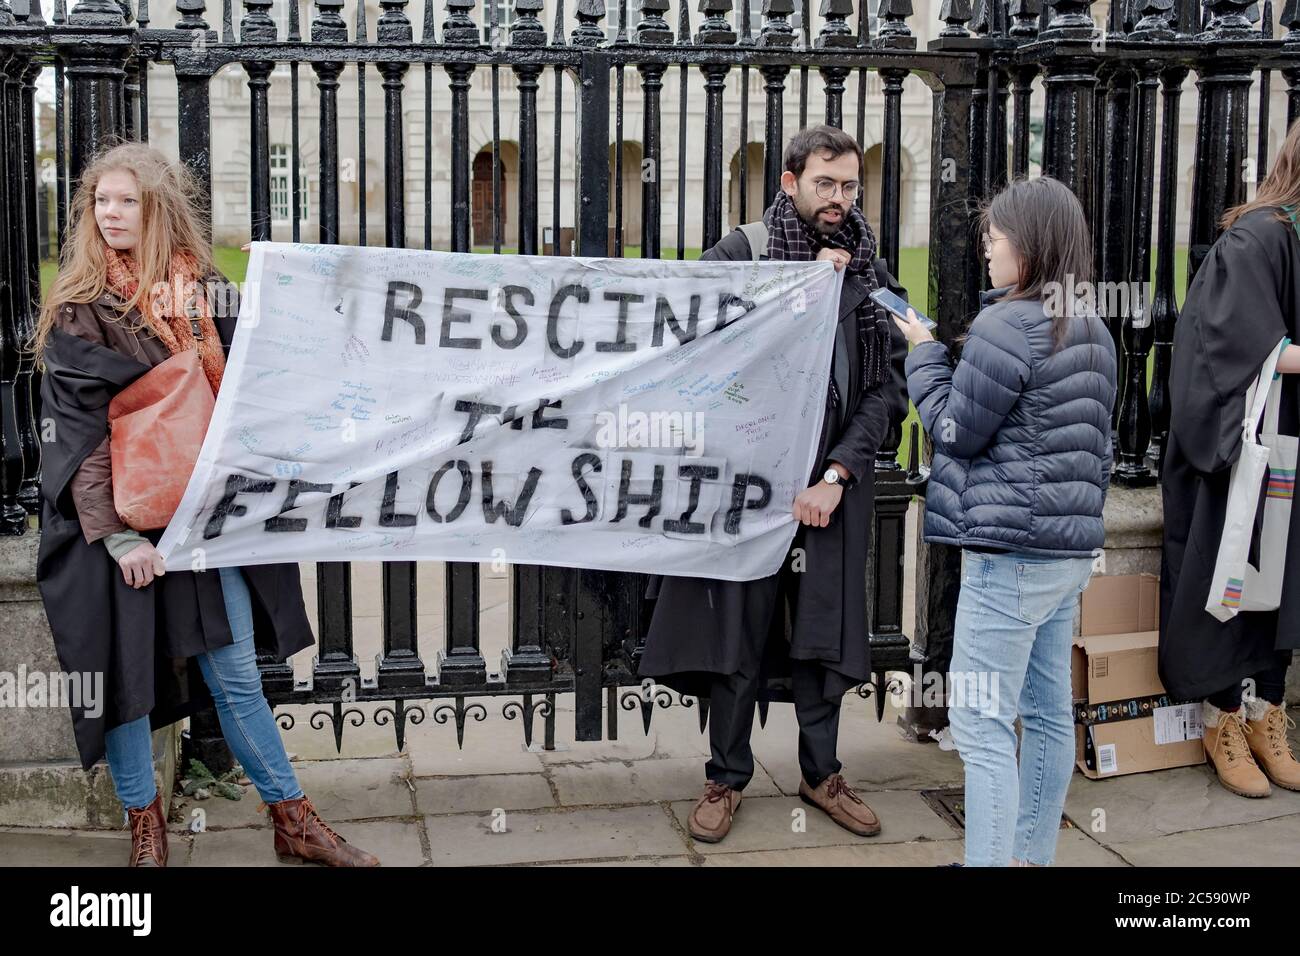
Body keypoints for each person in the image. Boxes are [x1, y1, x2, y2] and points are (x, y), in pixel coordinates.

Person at [32, 141, 379, 867]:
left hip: (204, 515)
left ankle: (292, 819)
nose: (112, 214)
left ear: (158, 209)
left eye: (128, 201)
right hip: (120, 525)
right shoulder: (80, 308)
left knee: (235, 673)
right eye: (101, 201)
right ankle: (145, 829)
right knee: (127, 683)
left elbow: (270, 367)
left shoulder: (204, 289)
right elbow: (79, 432)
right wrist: (121, 538)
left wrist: (313, 284)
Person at [638, 125, 910, 844]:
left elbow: (888, 390)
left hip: (829, 494)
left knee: (823, 634)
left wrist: (838, 473)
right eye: (826, 183)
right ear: (789, 183)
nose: (840, 198)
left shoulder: (872, 272)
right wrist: (797, 294)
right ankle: (726, 777)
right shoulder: (742, 255)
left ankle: (822, 774)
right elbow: (693, 354)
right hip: (750, 490)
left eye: (850, 185)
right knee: (737, 634)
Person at [897, 176, 1117, 866]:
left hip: (1009, 557)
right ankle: (1027, 858)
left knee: (982, 724)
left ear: (1027, 246)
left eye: (993, 240)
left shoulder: (1006, 324)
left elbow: (956, 431)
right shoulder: (1091, 326)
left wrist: (924, 355)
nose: (986, 254)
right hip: (1066, 553)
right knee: (1049, 715)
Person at [1160, 118, 1300, 799]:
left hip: (1292, 442)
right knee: (1233, 575)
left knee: (1286, 580)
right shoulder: (1259, 236)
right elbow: (1229, 347)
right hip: (1246, 442)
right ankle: (1220, 717)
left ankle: (1267, 712)